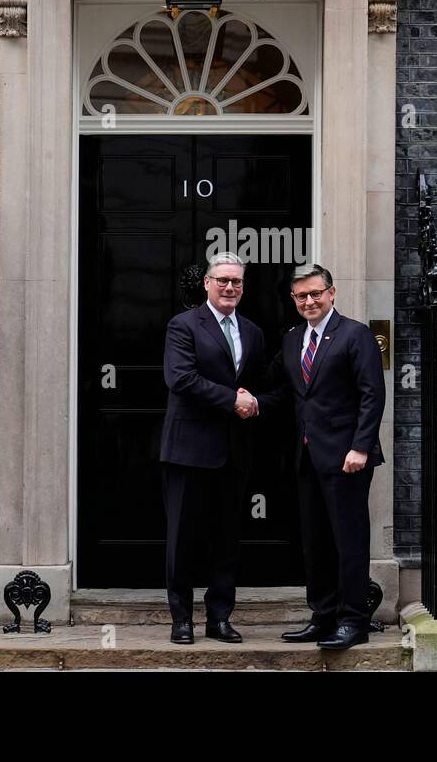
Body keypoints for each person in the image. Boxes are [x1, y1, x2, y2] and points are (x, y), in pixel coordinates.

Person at [237, 263, 385, 650]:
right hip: (306, 458)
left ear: (331, 293)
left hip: (347, 458)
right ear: (293, 299)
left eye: (316, 293)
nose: (309, 301)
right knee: (315, 543)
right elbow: (286, 392)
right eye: (301, 295)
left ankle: (354, 621)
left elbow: (373, 395)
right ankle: (322, 617)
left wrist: (361, 447)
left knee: (348, 542)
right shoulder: (291, 340)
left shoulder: (356, 335)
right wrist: (251, 401)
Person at [160, 252, 266, 645]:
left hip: (234, 450)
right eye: (222, 280)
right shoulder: (183, 325)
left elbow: (258, 382)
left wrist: (257, 401)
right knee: (183, 539)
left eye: (236, 281)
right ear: (207, 283)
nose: (229, 287)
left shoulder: (253, 332)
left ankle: (219, 618)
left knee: (226, 540)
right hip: (188, 450)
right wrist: (232, 400)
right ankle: (181, 619)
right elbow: (180, 378)